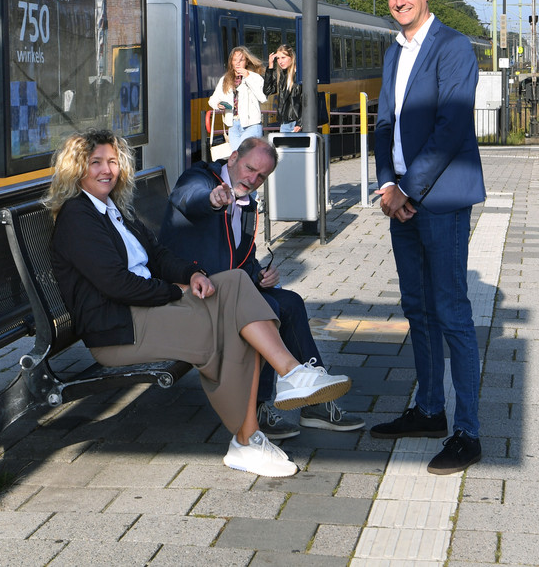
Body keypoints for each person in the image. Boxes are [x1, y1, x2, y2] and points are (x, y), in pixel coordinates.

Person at [46, 129, 350, 477]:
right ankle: (250, 436)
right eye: (96, 162)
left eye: (112, 162)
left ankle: (288, 380)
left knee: (237, 285)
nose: (107, 170)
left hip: (145, 313)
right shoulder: (78, 216)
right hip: (119, 330)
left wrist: (191, 274)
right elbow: (117, 284)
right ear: (77, 167)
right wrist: (176, 291)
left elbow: (159, 255)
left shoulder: (112, 209)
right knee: (237, 322)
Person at [163, 136, 365, 441]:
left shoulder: (247, 202)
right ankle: (258, 407)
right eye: (249, 169)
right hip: (194, 291)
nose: (252, 179)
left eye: (261, 176)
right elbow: (189, 198)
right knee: (267, 309)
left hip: (228, 288)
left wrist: (259, 276)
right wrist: (213, 200)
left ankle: (316, 403)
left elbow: (240, 256)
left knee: (290, 302)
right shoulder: (200, 178)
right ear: (233, 158)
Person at [371, 0, 486, 476]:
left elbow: (451, 127)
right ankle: (429, 410)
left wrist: (407, 189)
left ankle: (468, 432)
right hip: (401, 199)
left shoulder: (453, 47)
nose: (399, 2)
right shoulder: (394, 52)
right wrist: (386, 184)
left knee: (451, 311)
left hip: (438, 201)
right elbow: (383, 124)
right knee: (417, 308)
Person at [208, 46, 267, 148]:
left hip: (251, 125)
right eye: (235, 60)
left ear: (247, 61)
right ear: (231, 62)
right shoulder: (225, 79)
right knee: (236, 155)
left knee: (244, 152)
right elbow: (212, 100)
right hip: (233, 125)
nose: (237, 63)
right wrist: (218, 105)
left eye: (241, 60)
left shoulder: (255, 77)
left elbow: (263, 98)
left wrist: (248, 77)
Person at [264, 45, 302, 133]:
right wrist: (270, 67)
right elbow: (267, 90)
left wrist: (300, 123)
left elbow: (306, 100)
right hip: (285, 122)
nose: (280, 61)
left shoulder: (299, 75)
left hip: (296, 122)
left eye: (283, 58)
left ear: (291, 57)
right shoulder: (282, 76)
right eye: (278, 58)